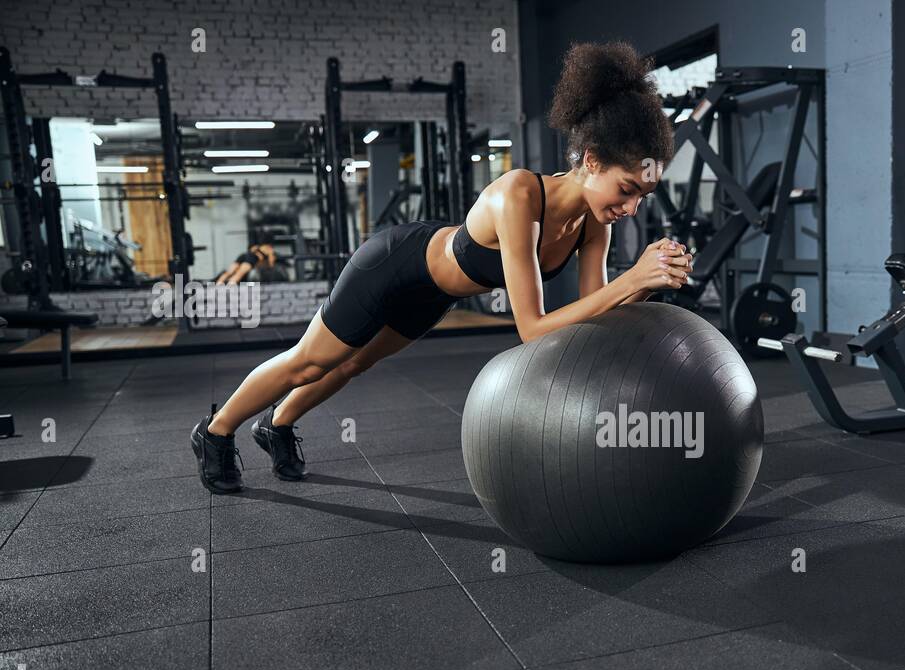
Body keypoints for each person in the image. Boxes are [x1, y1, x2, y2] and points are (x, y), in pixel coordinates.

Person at [190, 41, 693, 494]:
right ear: (591, 160)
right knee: (310, 361)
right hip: (392, 264)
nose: (631, 208)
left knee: (356, 362)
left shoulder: (593, 223)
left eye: (643, 197)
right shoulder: (520, 194)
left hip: (434, 293)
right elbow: (531, 330)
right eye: (627, 189)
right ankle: (214, 432)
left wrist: (650, 282)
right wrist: (633, 278)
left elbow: (593, 317)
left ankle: (275, 425)